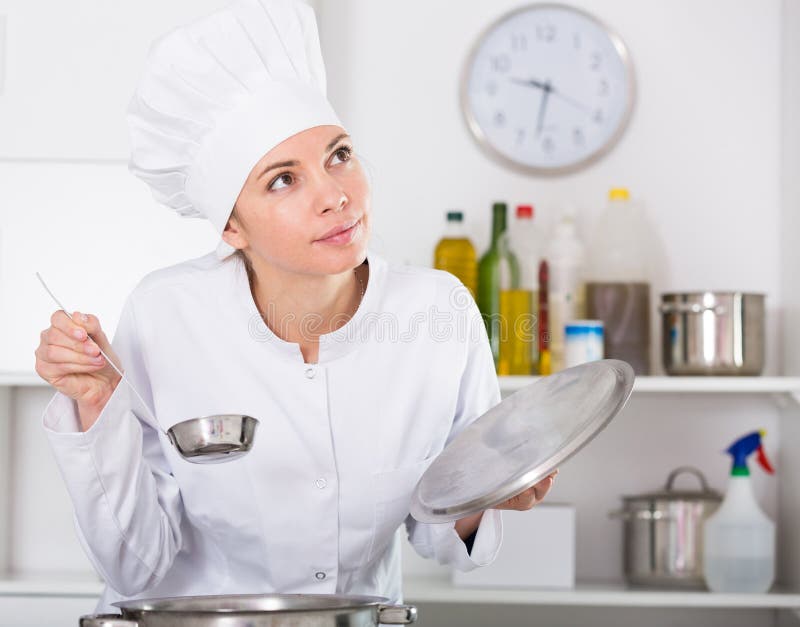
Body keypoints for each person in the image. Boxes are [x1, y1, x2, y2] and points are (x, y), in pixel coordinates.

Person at [33, 0, 556, 615]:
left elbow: (442, 533)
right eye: (283, 179)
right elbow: (135, 563)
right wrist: (98, 403)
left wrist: (493, 493)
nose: (335, 196)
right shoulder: (166, 315)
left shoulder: (438, 312)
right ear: (231, 227)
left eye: (339, 155)